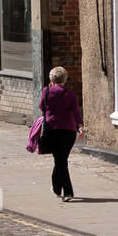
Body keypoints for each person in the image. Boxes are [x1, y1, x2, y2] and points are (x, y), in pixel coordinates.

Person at [40, 66, 84, 201]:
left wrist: (48, 90)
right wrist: (80, 127)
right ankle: (57, 187)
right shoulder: (70, 94)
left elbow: (41, 106)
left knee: (60, 161)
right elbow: (76, 112)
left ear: (51, 79)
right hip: (69, 132)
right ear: (65, 80)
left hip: (53, 130)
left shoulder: (46, 91)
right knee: (61, 160)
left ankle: (68, 192)